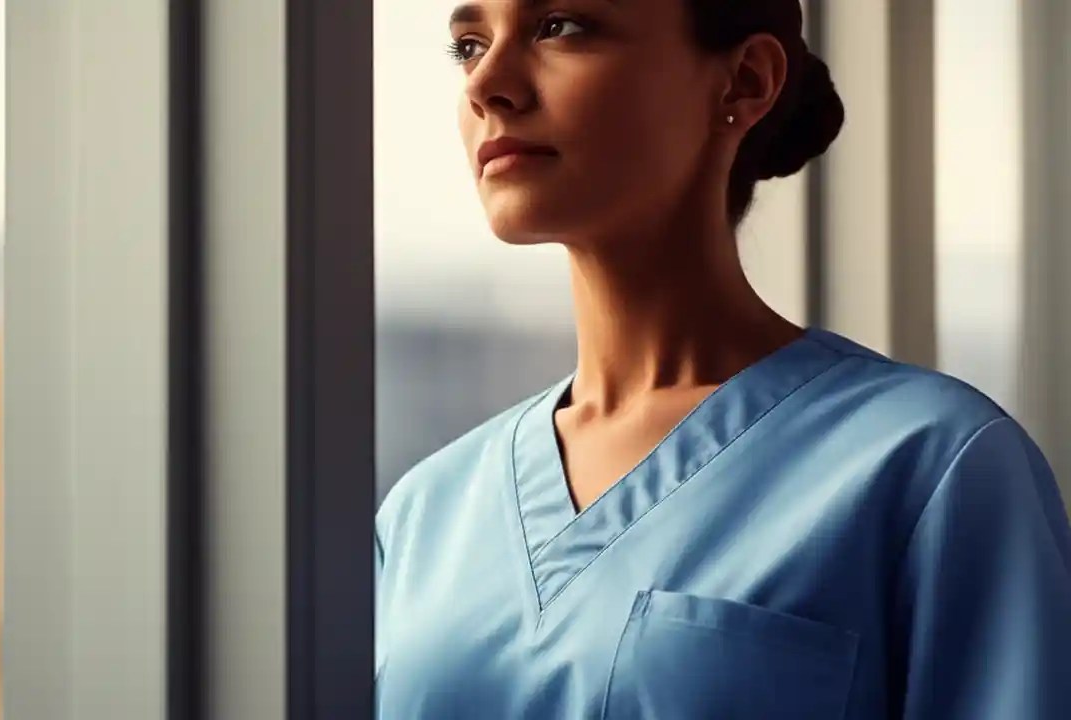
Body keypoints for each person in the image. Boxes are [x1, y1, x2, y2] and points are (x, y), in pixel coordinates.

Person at [373, 0, 1071, 717]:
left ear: (743, 82)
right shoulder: (425, 516)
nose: (487, 83)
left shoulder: (929, 464)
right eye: (468, 44)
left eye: (562, 27)